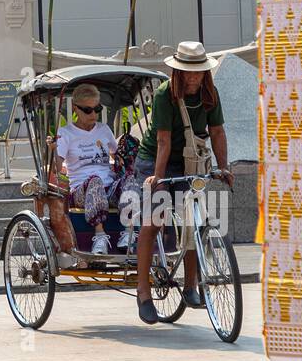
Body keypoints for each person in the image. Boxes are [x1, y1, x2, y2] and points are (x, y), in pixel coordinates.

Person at [134, 40, 233, 324]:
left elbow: (217, 132)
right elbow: (163, 141)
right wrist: (160, 180)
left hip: (190, 160)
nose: (192, 78)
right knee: (153, 220)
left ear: (205, 73)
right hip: (154, 160)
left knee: (194, 220)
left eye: (198, 72)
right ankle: (143, 292)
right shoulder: (166, 94)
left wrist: (223, 167)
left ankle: (191, 285)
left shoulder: (210, 94)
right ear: (178, 72)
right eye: (188, 72)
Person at [46, 84, 124, 255]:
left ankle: (130, 232)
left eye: (97, 109)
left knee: (130, 180)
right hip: (82, 190)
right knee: (95, 180)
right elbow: (57, 168)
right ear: (75, 108)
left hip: (108, 188)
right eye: (88, 110)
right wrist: (52, 151)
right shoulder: (66, 133)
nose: (94, 115)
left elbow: (117, 155)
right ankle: (100, 235)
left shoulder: (103, 130)